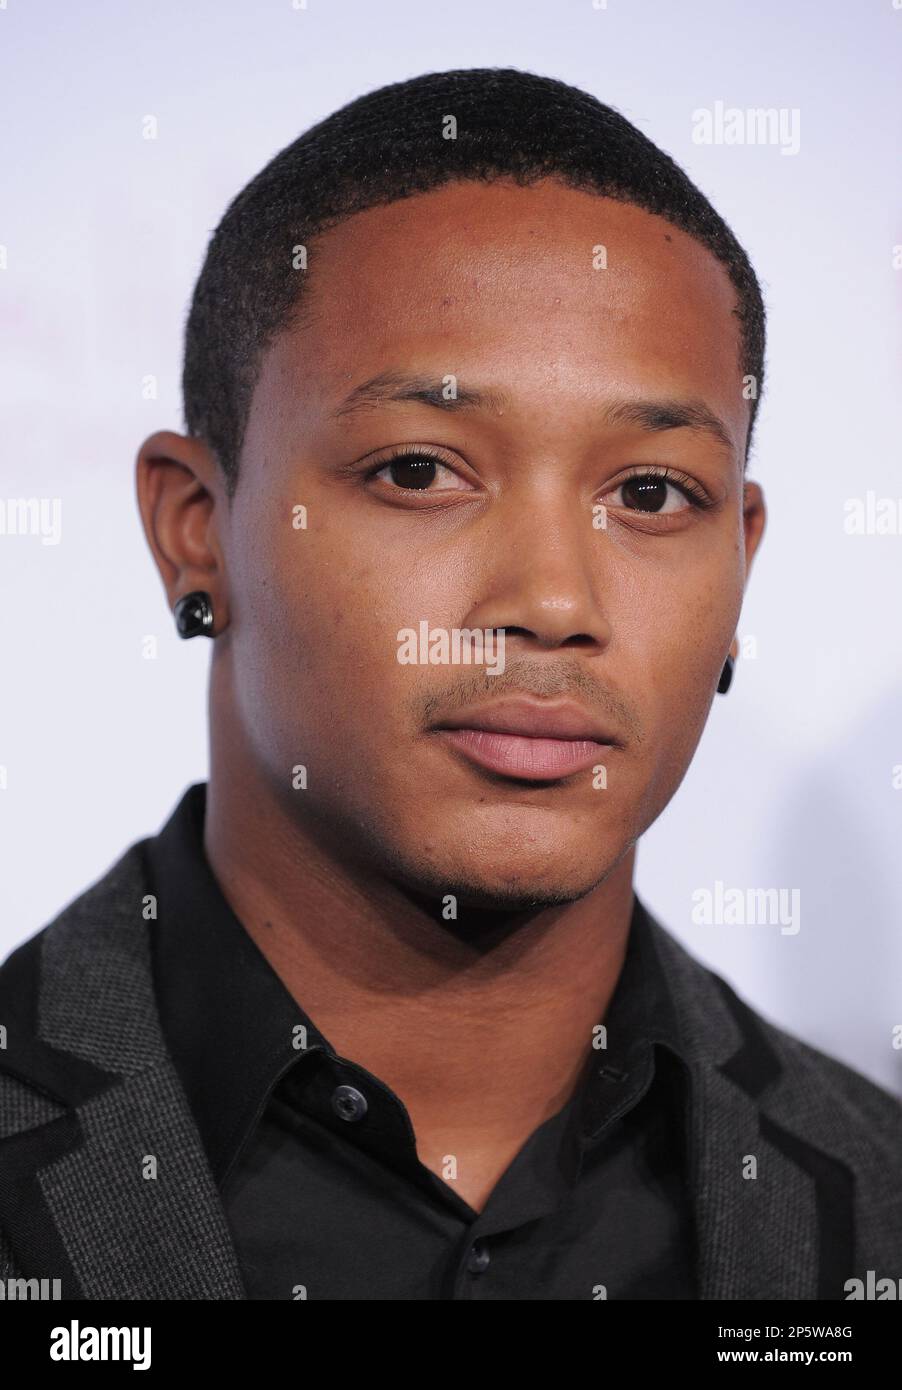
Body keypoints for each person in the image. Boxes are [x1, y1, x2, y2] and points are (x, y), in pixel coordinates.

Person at [1, 67, 899, 1302]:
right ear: (196, 526)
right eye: (421, 471)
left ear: (739, 561)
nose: (552, 602)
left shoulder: (878, 1203)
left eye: (648, 494)